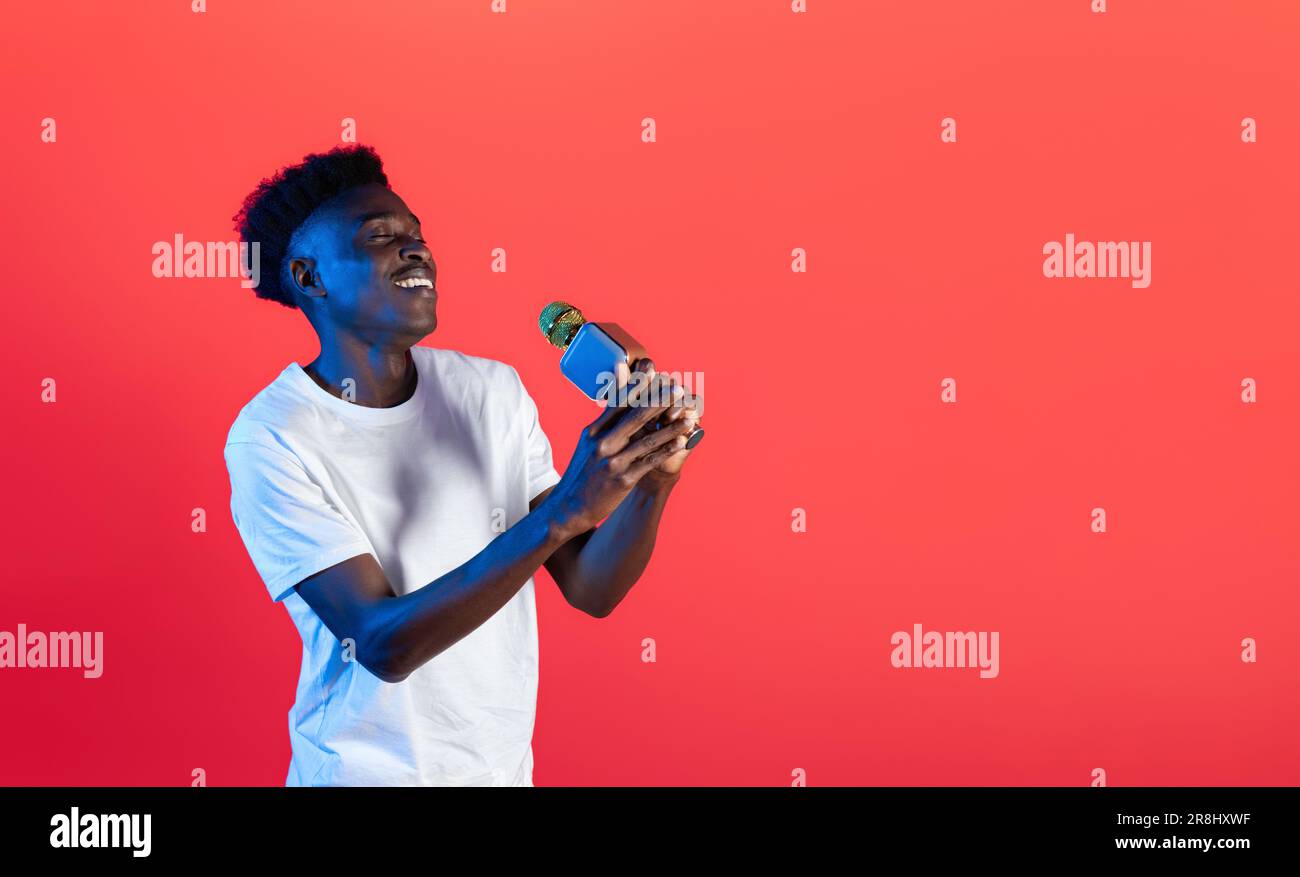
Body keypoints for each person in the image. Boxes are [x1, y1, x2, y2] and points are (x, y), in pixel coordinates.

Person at [223, 144, 701, 786]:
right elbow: (381, 643)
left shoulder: (492, 392)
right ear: (311, 278)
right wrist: (562, 513)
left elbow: (592, 589)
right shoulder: (272, 436)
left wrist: (652, 485)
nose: (416, 250)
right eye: (381, 237)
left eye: (418, 236)